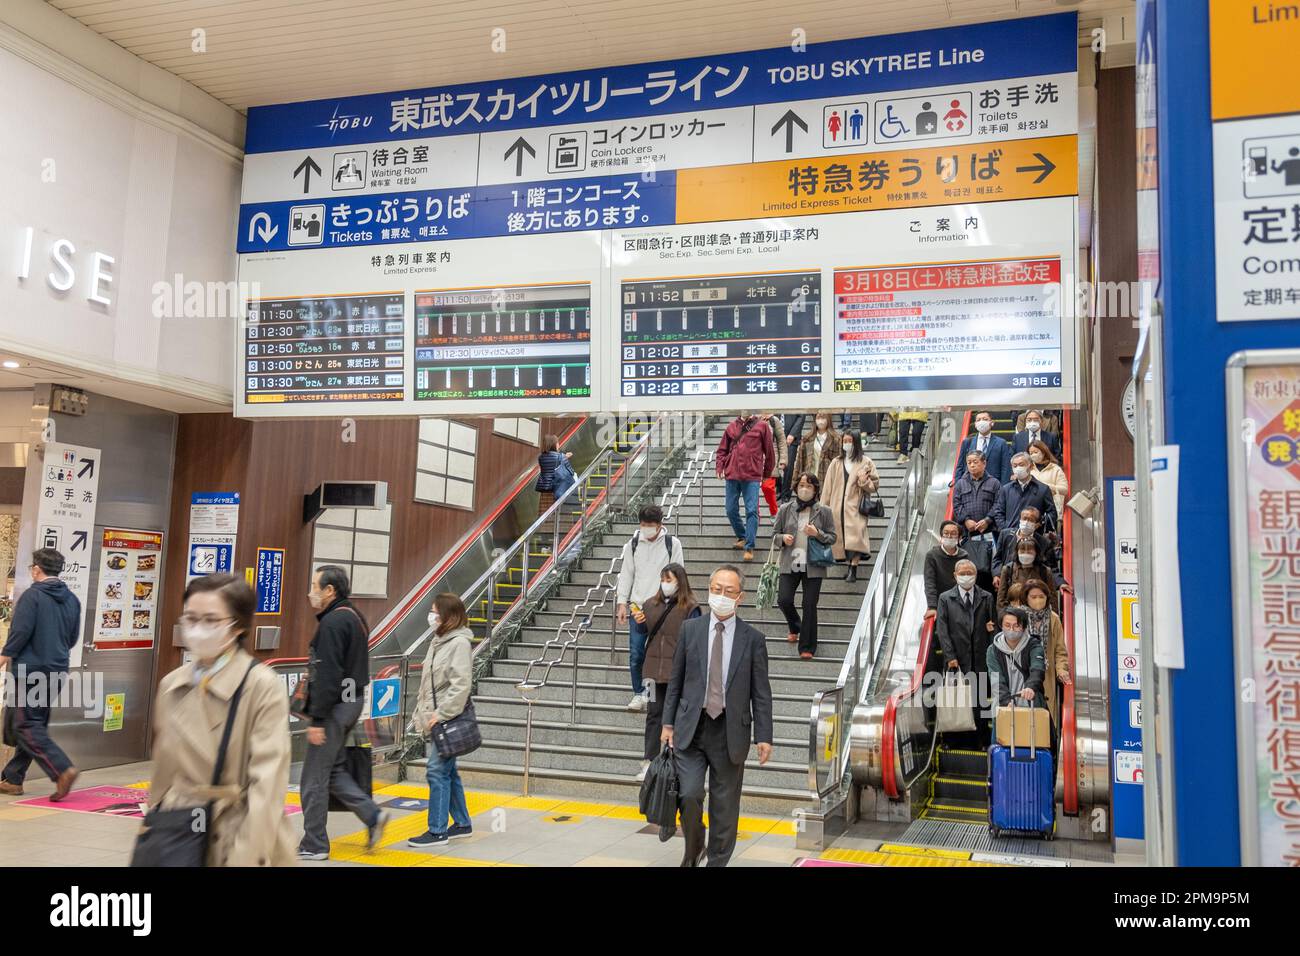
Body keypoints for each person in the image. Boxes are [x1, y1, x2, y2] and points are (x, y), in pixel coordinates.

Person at [144, 573, 297, 865]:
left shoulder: (261, 685)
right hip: (180, 832)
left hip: (238, 830)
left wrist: (246, 856)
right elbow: (162, 772)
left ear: (237, 626)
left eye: (211, 621)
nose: (198, 629)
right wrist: (154, 827)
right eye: (191, 618)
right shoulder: (172, 684)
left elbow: (267, 784)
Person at [661, 566, 773, 867]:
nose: (721, 596)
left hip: (729, 731)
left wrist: (764, 737)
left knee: (724, 807)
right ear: (709, 589)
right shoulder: (691, 630)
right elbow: (676, 679)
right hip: (691, 728)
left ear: (740, 597)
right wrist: (667, 723)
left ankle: (717, 862)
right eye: (717, 589)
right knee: (689, 795)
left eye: (729, 591)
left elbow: (761, 692)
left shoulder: (753, 639)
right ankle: (694, 847)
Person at [297, 565, 388, 861]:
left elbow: (327, 673)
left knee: (313, 777)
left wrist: (318, 719)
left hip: (334, 707)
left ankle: (315, 844)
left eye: (314, 586)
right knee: (333, 770)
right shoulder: (353, 616)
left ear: (329, 590)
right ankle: (372, 815)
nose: (311, 592)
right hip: (352, 701)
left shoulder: (333, 623)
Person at [0, 548, 81, 798]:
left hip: (30, 670)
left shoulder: (32, 596)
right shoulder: (71, 599)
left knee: (25, 724)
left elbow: (20, 632)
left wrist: (4, 657)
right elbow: (72, 637)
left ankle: (62, 769)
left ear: (36, 569)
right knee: (32, 722)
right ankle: (13, 778)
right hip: (57, 668)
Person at [408, 593, 475, 847]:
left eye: (435, 611)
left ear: (448, 615)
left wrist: (441, 714)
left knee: (436, 771)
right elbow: (429, 684)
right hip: (435, 718)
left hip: (447, 719)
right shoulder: (438, 641)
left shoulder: (458, 644)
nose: (431, 616)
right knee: (448, 772)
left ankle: (437, 831)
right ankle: (461, 822)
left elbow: (461, 685)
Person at [635, 564, 701, 782]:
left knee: (678, 718)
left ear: (679, 581)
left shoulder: (691, 607)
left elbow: (694, 642)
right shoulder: (649, 605)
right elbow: (643, 634)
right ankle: (649, 762)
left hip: (677, 672)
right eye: (663, 578)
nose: (665, 583)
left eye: (669, 579)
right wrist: (639, 623)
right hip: (652, 672)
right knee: (654, 715)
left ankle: (676, 761)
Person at [616, 504, 684, 712]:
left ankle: (653, 697)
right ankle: (639, 693)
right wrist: (622, 602)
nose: (647, 528)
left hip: (662, 609)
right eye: (644, 525)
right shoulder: (633, 544)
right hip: (638, 607)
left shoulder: (672, 544)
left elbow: (679, 575)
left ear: (660, 525)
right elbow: (627, 573)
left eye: (651, 525)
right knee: (637, 653)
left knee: (656, 655)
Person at [773, 472, 838, 659]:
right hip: (790, 561)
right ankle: (796, 626)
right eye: (801, 485)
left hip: (814, 564)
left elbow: (832, 537)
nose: (804, 489)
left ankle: (807, 646)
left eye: (809, 486)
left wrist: (817, 533)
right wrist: (782, 538)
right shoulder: (786, 509)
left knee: (809, 604)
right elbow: (775, 534)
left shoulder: (824, 511)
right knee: (784, 600)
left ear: (815, 489)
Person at [933, 559, 996, 747]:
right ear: (955, 575)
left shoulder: (986, 597)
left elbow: (993, 626)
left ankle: (981, 741)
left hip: (980, 657)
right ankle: (952, 741)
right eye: (962, 573)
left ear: (976, 575)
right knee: (955, 701)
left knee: (980, 702)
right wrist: (950, 656)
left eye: (970, 572)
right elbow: (942, 630)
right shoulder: (945, 598)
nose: (966, 576)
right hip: (956, 660)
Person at [819, 430, 880, 582]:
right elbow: (828, 487)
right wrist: (823, 507)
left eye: (850, 441)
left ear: (856, 442)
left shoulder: (866, 462)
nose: (846, 444)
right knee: (843, 538)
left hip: (856, 506)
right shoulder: (836, 462)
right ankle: (849, 567)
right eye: (844, 441)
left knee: (856, 536)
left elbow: (874, 486)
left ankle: (853, 568)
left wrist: (863, 481)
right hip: (837, 506)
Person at [986, 606, 1050, 749]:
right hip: (1004, 708)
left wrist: (1031, 687)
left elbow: (1037, 668)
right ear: (1001, 626)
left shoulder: (1034, 646)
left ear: (1024, 627)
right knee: (1001, 750)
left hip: (1031, 706)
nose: (1012, 629)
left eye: (1016, 626)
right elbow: (996, 680)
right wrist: (1006, 701)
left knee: (1033, 749)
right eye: (1007, 625)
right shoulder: (993, 650)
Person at [715, 412, 774, 561]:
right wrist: (719, 467)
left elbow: (769, 451)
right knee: (730, 509)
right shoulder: (731, 427)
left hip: (752, 475)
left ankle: (749, 546)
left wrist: (766, 473)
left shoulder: (762, 426)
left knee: (752, 510)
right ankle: (742, 536)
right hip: (732, 474)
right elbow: (722, 450)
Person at [1024, 579, 1071, 738]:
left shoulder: (1054, 618)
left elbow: (1060, 649)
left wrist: (1062, 669)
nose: (1038, 600)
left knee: (1046, 719)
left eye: (1041, 596)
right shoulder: (1018, 617)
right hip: (1024, 673)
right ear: (1026, 598)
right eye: (1033, 596)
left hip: (1047, 674)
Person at [952, 450, 1002, 587]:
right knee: (970, 569)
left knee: (989, 570)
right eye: (969, 463)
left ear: (984, 463)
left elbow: (999, 504)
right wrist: (966, 520)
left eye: (975, 462)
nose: (972, 465)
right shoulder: (960, 483)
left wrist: (987, 520)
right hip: (968, 534)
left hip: (990, 533)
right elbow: (956, 504)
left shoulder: (994, 483)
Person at [992, 452, 1059, 539]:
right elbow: (998, 513)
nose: (1018, 468)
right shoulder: (1006, 489)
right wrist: (1005, 529)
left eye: (1021, 465)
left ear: (1030, 466)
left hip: (1035, 538)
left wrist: (1039, 523)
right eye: (1015, 466)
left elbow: (1052, 513)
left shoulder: (1043, 489)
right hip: (1010, 537)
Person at [996, 538, 1059, 611]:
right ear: (1017, 552)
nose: (1025, 553)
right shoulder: (1008, 569)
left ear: (1036, 552)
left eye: (1029, 551)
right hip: (1015, 617)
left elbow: (1052, 598)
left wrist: (1053, 617)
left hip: (1039, 616)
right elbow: (1001, 600)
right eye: (1022, 551)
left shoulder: (1045, 571)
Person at [924, 520, 969, 621]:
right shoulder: (932, 555)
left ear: (959, 538)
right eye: (946, 533)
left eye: (953, 534)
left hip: (960, 604)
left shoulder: (964, 555)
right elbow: (929, 582)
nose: (949, 536)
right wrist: (932, 606)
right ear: (941, 536)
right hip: (941, 602)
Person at [953, 410, 1012, 485]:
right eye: (978, 420)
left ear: (992, 423)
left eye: (985, 419)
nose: (981, 422)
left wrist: (1003, 488)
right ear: (975, 424)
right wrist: (958, 485)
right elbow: (960, 466)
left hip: (993, 486)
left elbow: (1005, 468)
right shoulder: (967, 442)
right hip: (970, 485)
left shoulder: (1001, 443)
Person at [993, 506, 1052, 570]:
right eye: (1024, 518)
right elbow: (997, 559)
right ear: (1020, 520)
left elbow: (1050, 568)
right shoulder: (1005, 535)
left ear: (1037, 525)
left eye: (1031, 520)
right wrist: (997, 575)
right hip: (1008, 576)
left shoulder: (1044, 543)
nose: (1026, 522)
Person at [793, 412, 841, 485]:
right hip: (810, 478)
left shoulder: (836, 439)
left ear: (828, 419)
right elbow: (800, 461)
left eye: (823, 418)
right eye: (818, 418)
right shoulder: (807, 438)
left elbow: (839, 461)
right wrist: (796, 479)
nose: (820, 421)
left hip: (828, 478)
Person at [1029, 439, 1068, 517]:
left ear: (1043, 452)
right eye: (1031, 453)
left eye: (1035, 452)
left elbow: (1064, 489)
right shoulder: (1028, 469)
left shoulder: (1055, 469)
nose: (1033, 455)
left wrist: (1047, 487)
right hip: (1031, 511)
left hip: (1051, 510)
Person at [535, 434, 576, 506]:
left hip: (545, 491)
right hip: (558, 490)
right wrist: (565, 458)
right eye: (557, 443)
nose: (558, 444)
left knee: (545, 515)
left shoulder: (541, 457)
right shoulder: (561, 456)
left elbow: (550, 466)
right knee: (558, 514)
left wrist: (564, 457)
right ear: (554, 444)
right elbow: (571, 472)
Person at [759, 413, 786, 518]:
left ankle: (774, 511)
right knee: (752, 492)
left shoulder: (774, 421)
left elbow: (781, 441)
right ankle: (754, 516)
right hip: (754, 459)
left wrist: (783, 459)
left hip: (771, 459)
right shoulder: (752, 420)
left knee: (768, 487)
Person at [778, 414, 807, 500]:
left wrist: (793, 434)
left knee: (788, 466)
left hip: (791, 438)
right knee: (775, 466)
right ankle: (779, 488)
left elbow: (802, 415)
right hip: (776, 436)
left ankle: (786, 493)